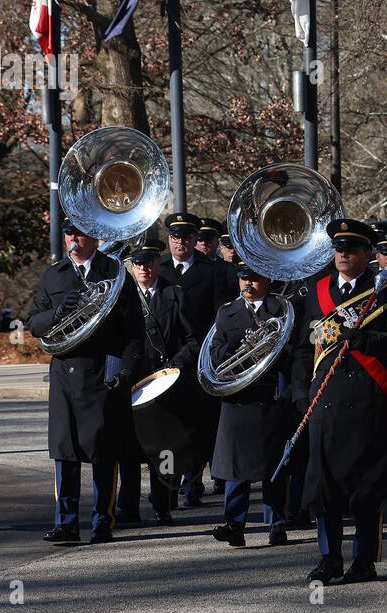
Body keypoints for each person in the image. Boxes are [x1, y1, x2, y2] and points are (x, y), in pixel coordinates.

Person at [290, 219, 387, 584]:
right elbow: (302, 348)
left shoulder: (386, 293)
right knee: (324, 486)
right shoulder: (317, 293)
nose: (343, 254)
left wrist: (366, 341)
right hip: (325, 403)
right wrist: (301, 392)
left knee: (367, 486)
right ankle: (329, 557)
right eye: (339, 248)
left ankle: (364, 560)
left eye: (352, 248)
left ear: (367, 255)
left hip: (369, 401)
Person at [27, 220, 143, 544]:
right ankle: (65, 522)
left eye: (78, 233)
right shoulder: (54, 275)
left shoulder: (115, 273)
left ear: (93, 236)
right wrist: (56, 314)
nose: (72, 239)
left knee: (103, 453)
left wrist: (125, 371)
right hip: (66, 374)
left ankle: (102, 521)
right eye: (68, 233)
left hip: (101, 373)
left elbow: (133, 331)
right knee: (65, 452)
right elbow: (33, 323)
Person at [209, 260, 295, 548]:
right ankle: (235, 524)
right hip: (238, 397)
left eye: (255, 278)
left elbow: (293, 354)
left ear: (268, 280)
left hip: (269, 396)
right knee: (236, 468)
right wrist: (240, 349)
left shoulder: (281, 311)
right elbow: (216, 351)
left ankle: (277, 523)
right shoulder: (226, 312)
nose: (248, 283)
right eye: (243, 277)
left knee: (274, 467)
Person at [117, 239, 197, 525]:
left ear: (157, 264)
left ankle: (164, 504)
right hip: (134, 380)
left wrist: (175, 366)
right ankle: (127, 507)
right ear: (132, 265)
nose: (144, 268)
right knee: (129, 447)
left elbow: (192, 340)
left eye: (149, 262)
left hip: (165, 383)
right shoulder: (123, 297)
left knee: (164, 447)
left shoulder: (175, 295)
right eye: (138, 262)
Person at [160, 211, 238, 505]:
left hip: (197, 360)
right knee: (167, 429)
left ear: (195, 240)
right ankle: (167, 487)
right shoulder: (161, 268)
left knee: (196, 426)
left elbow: (219, 318)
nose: (181, 242)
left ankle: (191, 483)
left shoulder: (214, 272)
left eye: (188, 237)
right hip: (164, 361)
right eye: (175, 237)